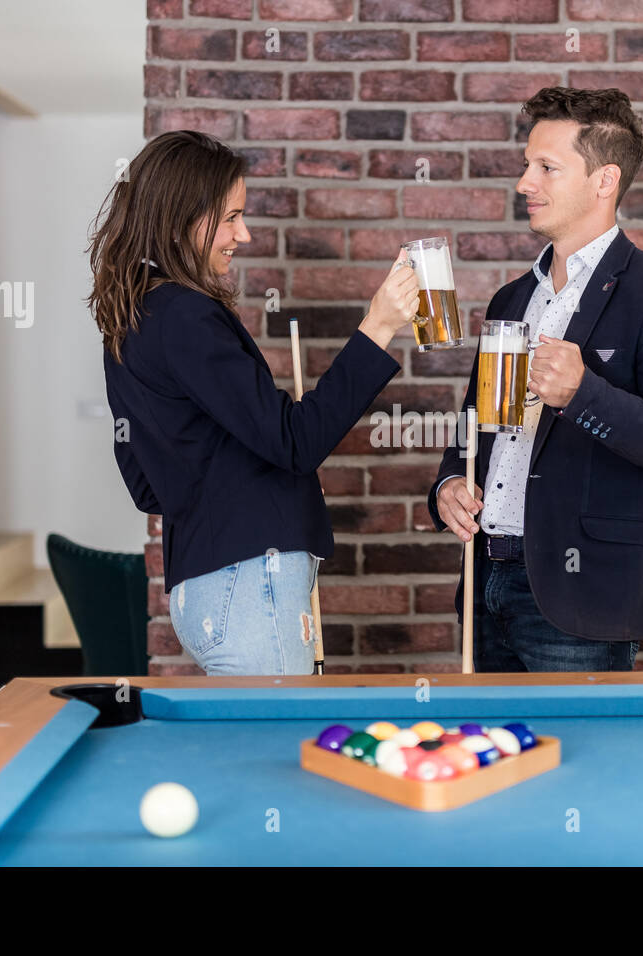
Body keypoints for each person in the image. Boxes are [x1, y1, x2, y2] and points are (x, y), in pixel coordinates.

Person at [91, 130, 418, 675]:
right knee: (277, 756)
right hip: (248, 589)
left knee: (256, 754)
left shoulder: (131, 317)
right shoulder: (186, 316)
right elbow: (296, 443)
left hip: (203, 590)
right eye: (230, 217)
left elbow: (144, 481)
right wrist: (377, 327)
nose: (243, 234)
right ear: (181, 218)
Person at [427, 87, 643, 672]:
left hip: (579, 600)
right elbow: (473, 425)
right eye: (527, 165)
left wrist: (583, 393)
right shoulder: (513, 296)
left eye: (546, 168)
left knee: (579, 764)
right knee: (494, 760)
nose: (523, 183)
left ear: (604, 180)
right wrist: (449, 484)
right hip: (484, 580)